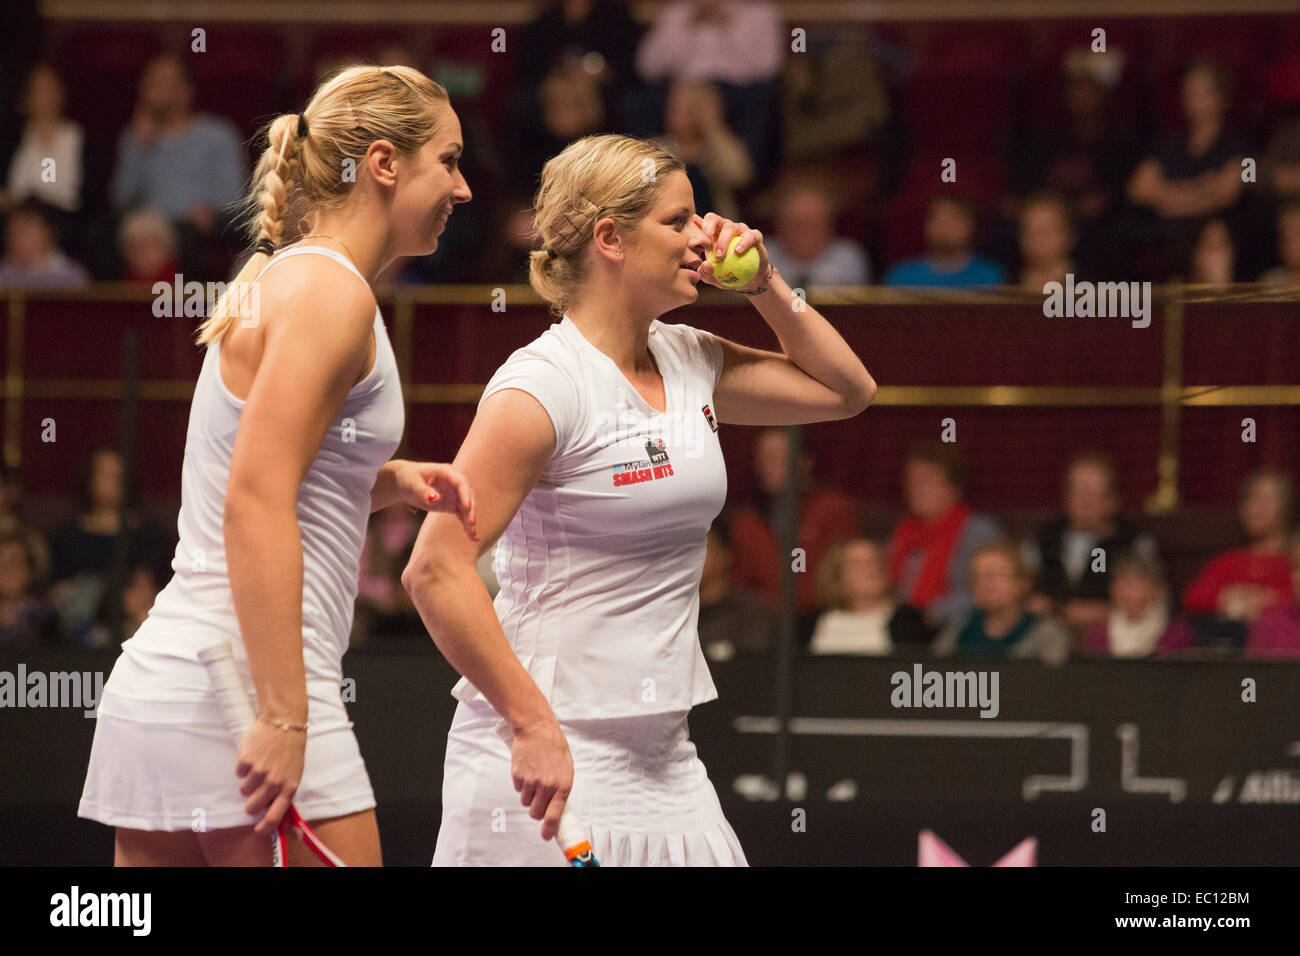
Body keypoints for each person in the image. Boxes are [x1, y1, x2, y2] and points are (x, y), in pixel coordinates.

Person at [402, 133, 876, 866]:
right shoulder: (542, 386)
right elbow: (434, 569)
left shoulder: (690, 357)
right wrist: (531, 727)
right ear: (609, 238)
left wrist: (764, 287)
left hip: (667, 757)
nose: (702, 237)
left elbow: (848, 393)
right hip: (542, 756)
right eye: (678, 220)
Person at [78, 65, 477, 867]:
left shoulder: (287, 279)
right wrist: (286, 714)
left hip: (170, 684)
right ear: (383, 163)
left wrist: (385, 479)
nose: (463, 189)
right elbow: (252, 499)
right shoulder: (332, 296)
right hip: (253, 689)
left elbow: (272, 472)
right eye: (450, 159)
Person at [729, 426, 860, 644]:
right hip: (761, 627)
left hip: (820, 620)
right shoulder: (746, 521)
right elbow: (739, 583)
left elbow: (839, 577)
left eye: (778, 458)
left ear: (805, 462)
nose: (767, 467)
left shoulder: (833, 510)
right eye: (763, 458)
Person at [887, 440, 1003, 631]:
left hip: (955, 629)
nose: (917, 490)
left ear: (955, 488)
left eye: (928, 482)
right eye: (912, 481)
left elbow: (988, 593)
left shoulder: (978, 532)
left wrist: (931, 613)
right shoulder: (902, 531)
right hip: (901, 628)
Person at [1183, 469, 1294, 647]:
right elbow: (1194, 597)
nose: (1255, 508)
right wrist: (1226, 599)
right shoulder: (1229, 561)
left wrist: (1264, 605)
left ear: (1287, 506)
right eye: (1250, 499)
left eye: (1266, 499)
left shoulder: (1292, 563)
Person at [932, 539, 1070, 665]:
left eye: (992, 575)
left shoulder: (1047, 633)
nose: (983, 583)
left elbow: (1052, 684)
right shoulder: (959, 627)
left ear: (1022, 581)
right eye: (976, 576)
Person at [809, 538, 930, 655]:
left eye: (875, 560)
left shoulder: (910, 624)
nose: (871, 568)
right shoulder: (817, 625)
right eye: (858, 563)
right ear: (838, 577)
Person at [1082, 551, 1194, 658]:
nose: (1124, 591)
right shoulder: (1098, 634)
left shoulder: (1176, 636)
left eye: (1132, 585)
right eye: (1120, 583)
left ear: (1158, 590)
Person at [882, 194, 1006, 288]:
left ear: (972, 227)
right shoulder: (900, 277)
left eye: (954, 220)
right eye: (937, 220)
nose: (944, 228)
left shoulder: (991, 277)